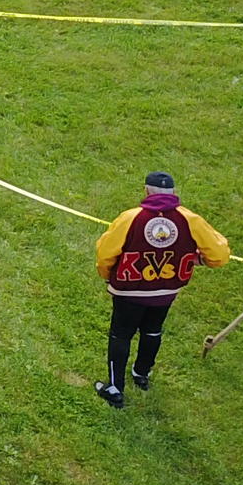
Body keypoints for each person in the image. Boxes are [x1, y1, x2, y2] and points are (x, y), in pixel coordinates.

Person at [93, 172, 230, 409]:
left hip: (129, 290)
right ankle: (141, 374)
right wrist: (199, 260)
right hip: (166, 290)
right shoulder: (190, 219)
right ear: (174, 194)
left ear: (146, 192)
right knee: (153, 330)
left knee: (121, 334)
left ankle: (115, 388)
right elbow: (219, 255)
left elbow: (106, 252)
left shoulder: (130, 218)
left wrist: (108, 276)